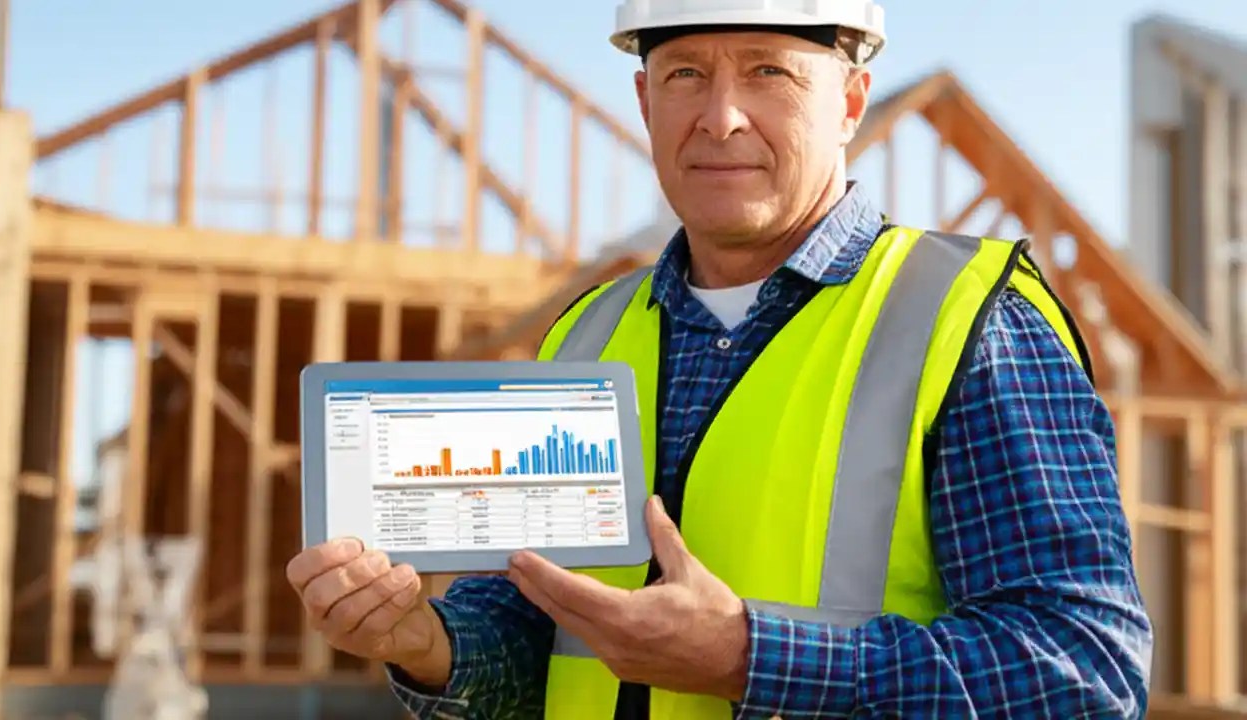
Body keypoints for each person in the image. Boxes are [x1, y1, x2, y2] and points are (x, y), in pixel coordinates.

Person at [285, 0, 1154, 716]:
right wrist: (426, 646)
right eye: (686, 74)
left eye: (769, 71)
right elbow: (535, 621)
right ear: (643, 99)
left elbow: (1082, 673)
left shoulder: (967, 321)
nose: (721, 114)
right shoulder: (586, 332)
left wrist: (749, 658)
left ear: (851, 100)